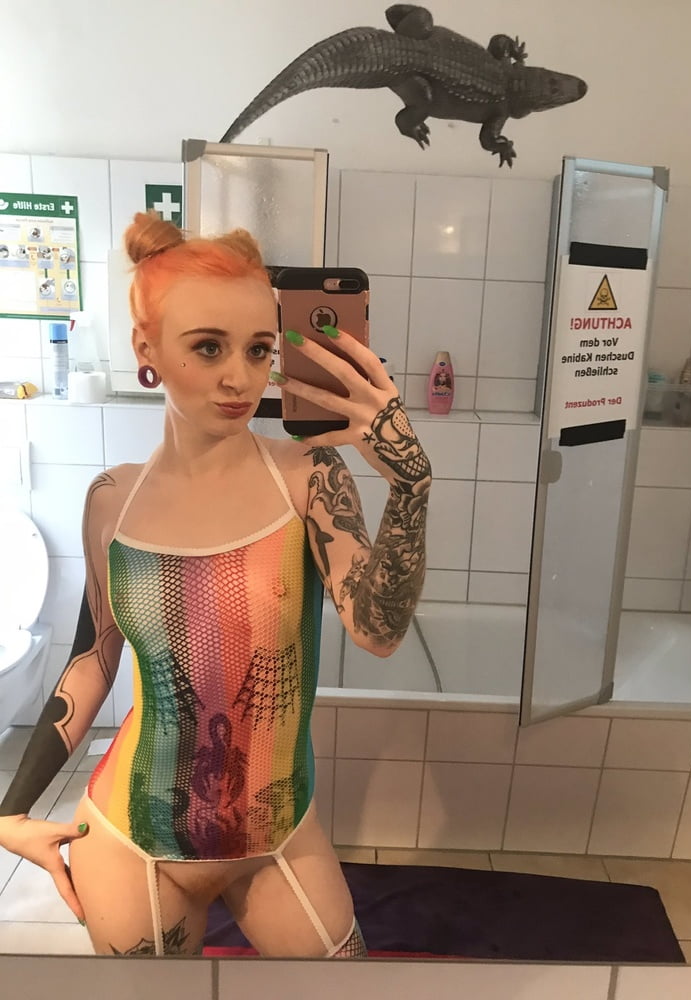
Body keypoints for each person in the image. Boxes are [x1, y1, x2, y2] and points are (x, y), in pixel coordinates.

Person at [0, 211, 432, 958]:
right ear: (147, 350)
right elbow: (93, 661)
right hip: (131, 842)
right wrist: (9, 812)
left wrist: (411, 485)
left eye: (259, 349)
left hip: (280, 832)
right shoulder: (112, 502)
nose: (241, 378)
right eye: (209, 347)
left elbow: (379, 633)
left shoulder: (307, 476)